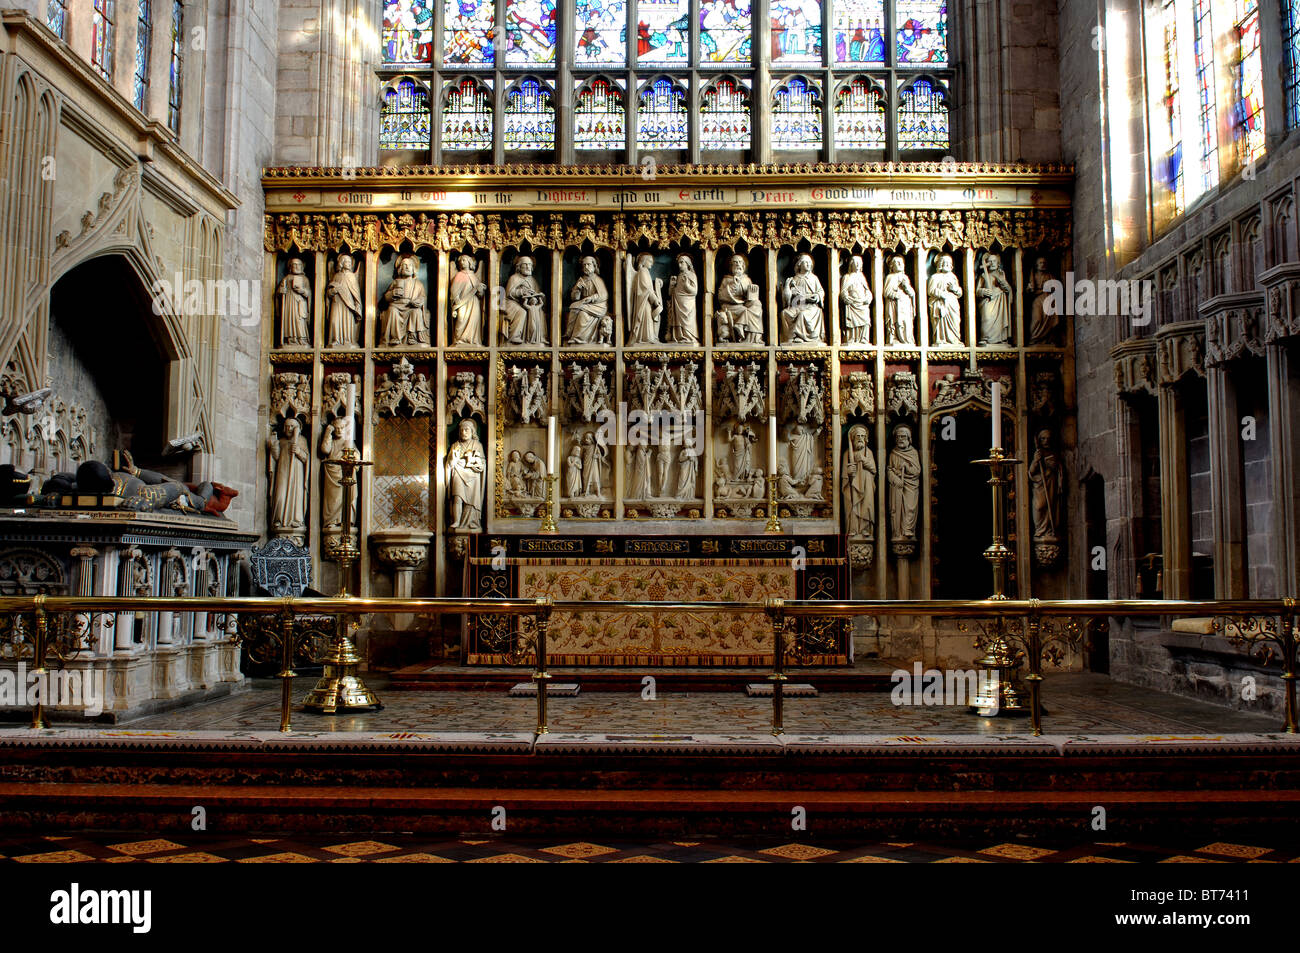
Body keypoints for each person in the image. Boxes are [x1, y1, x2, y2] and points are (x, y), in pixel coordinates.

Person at [446, 419, 486, 530]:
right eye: (462, 430)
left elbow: (482, 464)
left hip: (473, 475)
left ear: (472, 431)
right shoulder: (455, 445)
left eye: (467, 429)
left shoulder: (477, 445)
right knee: (457, 497)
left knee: (471, 501)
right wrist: (453, 459)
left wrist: (475, 463)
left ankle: (471, 521)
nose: (464, 432)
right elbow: (450, 464)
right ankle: (457, 521)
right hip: (458, 472)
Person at [716, 254, 764, 343]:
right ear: (731, 266)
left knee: (757, 304)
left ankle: (755, 337)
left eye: (740, 262)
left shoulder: (747, 279)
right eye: (735, 262)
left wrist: (752, 290)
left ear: (743, 265)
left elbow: (749, 297)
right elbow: (721, 296)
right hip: (730, 306)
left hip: (743, 304)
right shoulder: (726, 280)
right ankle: (741, 327)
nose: (738, 264)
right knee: (746, 311)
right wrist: (734, 284)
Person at [780, 253, 825, 343]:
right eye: (806, 262)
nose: (808, 264)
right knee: (784, 313)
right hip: (797, 305)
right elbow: (788, 300)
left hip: (810, 306)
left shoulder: (814, 278)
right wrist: (787, 288)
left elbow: (820, 291)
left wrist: (816, 296)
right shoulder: (794, 279)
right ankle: (790, 337)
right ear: (799, 264)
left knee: (802, 314)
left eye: (809, 262)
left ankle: (798, 336)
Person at [888, 424, 921, 541]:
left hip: (911, 486)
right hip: (897, 486)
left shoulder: (913, 453)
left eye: (903, 437)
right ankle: (897, 532)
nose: (900, 439)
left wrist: (906, 467)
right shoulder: (893, 453)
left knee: (909, 509)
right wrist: (894, 478)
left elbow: (917, 471)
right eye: (898, 437)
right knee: (896, 510)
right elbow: (889, 469)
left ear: (909, 438)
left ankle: (908, 529)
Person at [566, 255, 609, 344]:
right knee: (573, 307)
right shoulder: (581, 280)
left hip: (598, 305)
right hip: (586, 305)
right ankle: (569, 333)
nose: (586, 267)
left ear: (594, 266)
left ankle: (577, 338)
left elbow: (604, 295)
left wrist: (592, 298)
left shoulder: (598, 279)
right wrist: (577, 289)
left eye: (588, 264)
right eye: (584, 265)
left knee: (582, 314)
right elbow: (575, 298)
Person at [842, 424, 876, 537]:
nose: (860, 438)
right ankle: (853, 528)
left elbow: (874, 468)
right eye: (858, 436)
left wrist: (863, 460)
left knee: (867, 505)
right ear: (853, 438)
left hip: (867, 483)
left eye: (862, 436)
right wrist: (848, 472)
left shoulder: (869, 452)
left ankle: (865, 528)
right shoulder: (848, 453)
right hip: (852, 485)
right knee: (852, 505)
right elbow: (844, 474)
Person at [448, 254, 486, 345]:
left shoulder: (474, 276)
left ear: (470, 262)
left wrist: (480, 290)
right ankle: (460, 340)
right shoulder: (459, 275)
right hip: (462, 303)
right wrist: (456, 304)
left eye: (464, 260)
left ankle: (473, 340)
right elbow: (453, 291)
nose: (462, 262)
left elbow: (480, 295)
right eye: (460, 261)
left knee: (474, 321)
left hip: (474, 303)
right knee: (461, 319)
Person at [324, 254, 361, 347]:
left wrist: (357, 304)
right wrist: (332, 291)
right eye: (346, 262)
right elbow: (328, 292)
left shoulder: (352, 276)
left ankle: (347, 340)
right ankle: (335, 340)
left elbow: (356, 293)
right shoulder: (336, 276)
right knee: (334, 321)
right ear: (341, 263)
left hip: (348, 304)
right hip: (337, 303)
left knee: (347, 321)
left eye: (350, 262)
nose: (349, 264)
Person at [927, 254, 963, 345]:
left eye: (948, 263)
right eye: (944, 262)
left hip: (952, 303)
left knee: (955, 320)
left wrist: (954, 288)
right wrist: (942, 294)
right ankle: (941, 339)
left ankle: (954, 339)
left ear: (951, 265)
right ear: (939, 264)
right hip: (939, 303)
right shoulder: (935, 277)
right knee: (940, 320)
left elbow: (959, 293)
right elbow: (931, 290)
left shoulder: (953, 277)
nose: (946, 264)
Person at [883, 255, 916, 345]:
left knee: (906, 323)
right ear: (891, 266)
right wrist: (896, 294)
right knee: (895, 322)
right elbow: (886, 292)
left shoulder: (905, 277)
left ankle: (906, 339)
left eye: (901, 262)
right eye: (897, 263)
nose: (900, 264)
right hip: (894, 305)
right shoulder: (890, 277)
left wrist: (906, 287)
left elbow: (912, 293)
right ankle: (894, 338)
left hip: (905, 304)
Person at [840, 255, 872, 345]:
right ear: (851, 264)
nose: (857, 264)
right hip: (852, 303)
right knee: (852, 322)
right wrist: (845, 297)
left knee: (866, 320)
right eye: (855, 262)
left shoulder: (862, 276)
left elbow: (867, 290)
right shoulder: (847, 277)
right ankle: (851, 338)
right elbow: (843, 291)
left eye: (859, 262)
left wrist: (868, 297)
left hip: (862, 303)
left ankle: (863, 338)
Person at [278, 259, 311, 347]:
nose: (296, 267)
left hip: (300, 303)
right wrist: (281, 291)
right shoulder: (286, 278)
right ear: (290, 267)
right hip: (289, 303)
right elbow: (278, 294)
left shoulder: (305, 279)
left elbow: (309, 294)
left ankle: (301, 339)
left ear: (302, 267)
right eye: (294, 265)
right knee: (289, 319)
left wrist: (302, 291)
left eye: (299, 265)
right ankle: (290, 339)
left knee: (299, 320)